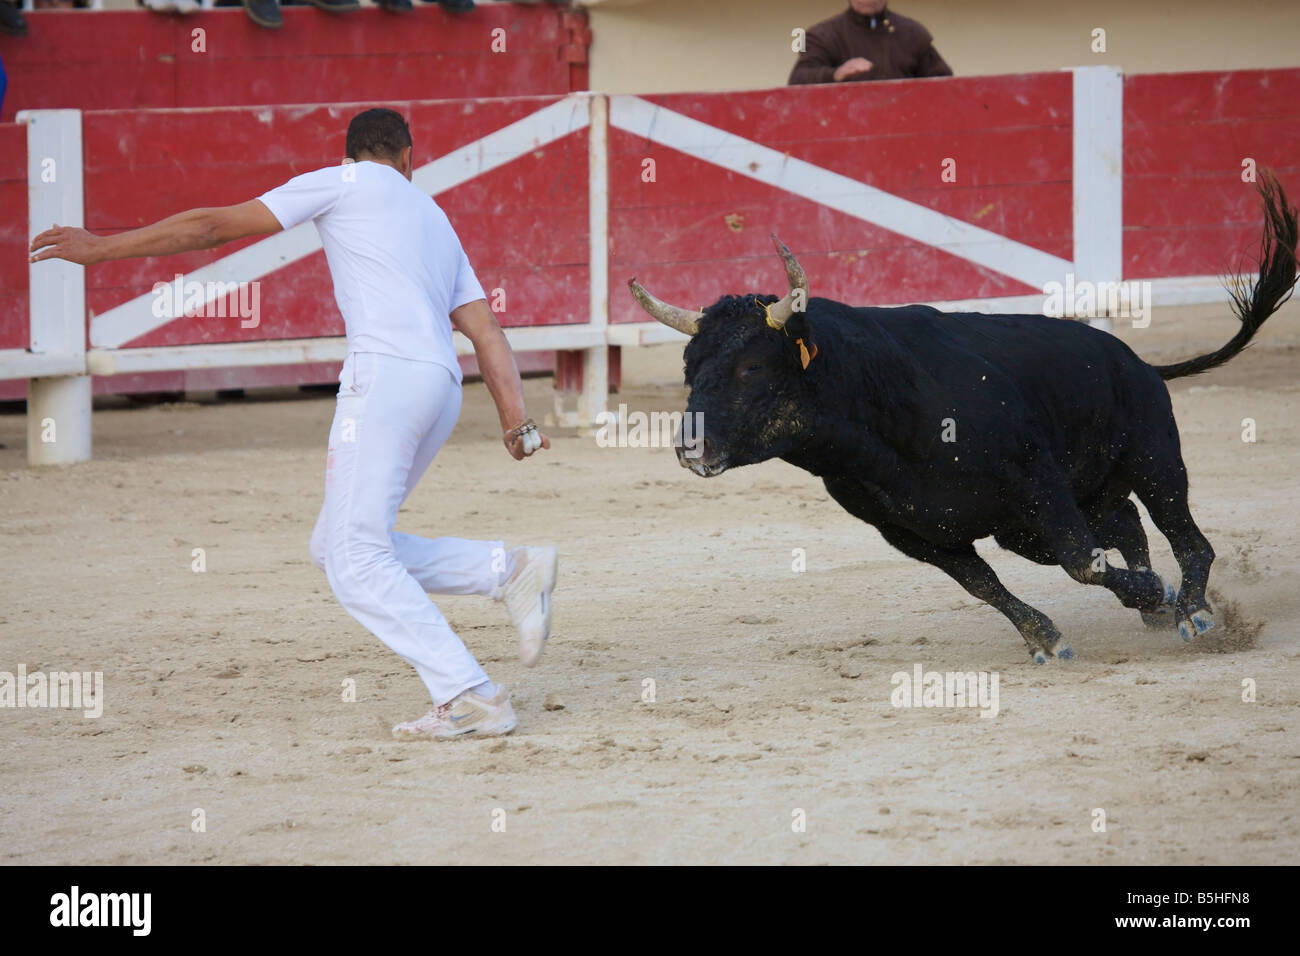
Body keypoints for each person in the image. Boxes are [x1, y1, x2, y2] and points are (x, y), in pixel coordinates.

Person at [29, 108, 558, 742]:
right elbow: (486, 333)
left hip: (384, 380)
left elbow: (211, 226)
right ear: (410, 159)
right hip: (439, 385)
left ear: (353, 154)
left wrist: (102, 249)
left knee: (355, 557)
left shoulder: (342, 180)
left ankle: (471, 694)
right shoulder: (436, 220)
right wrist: (517, 424)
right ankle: (506, 569)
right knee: (338, 546)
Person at [788, 0, 952, 86]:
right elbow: (798, 80)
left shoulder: (913, 33)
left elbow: (944, 84)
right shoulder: (822, 34)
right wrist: (835, 74)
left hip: (904, 130)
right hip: (845, 134)